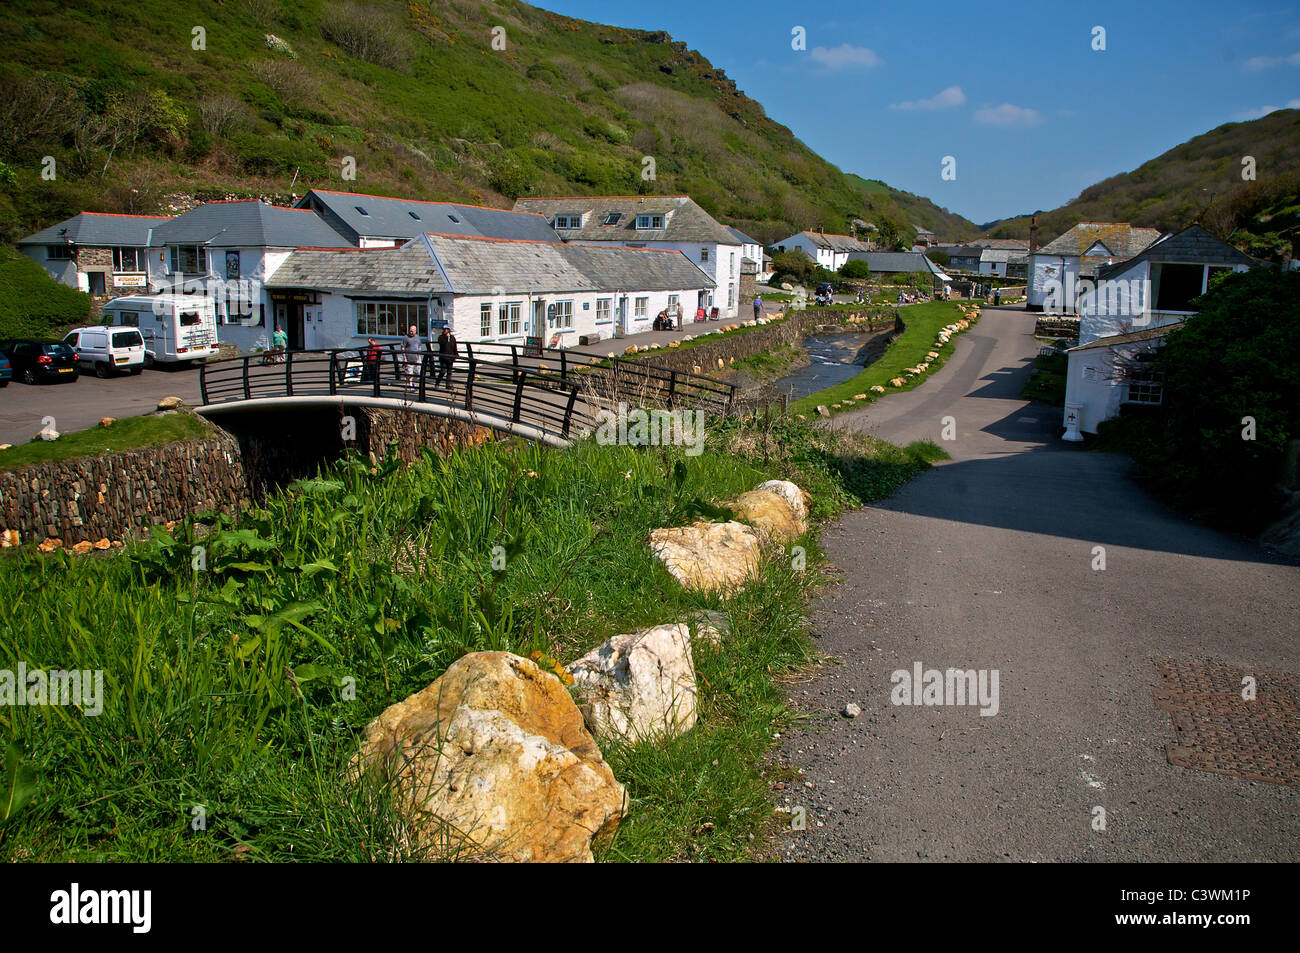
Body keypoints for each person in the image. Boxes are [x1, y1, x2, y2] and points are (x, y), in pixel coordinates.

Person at [434, 324, 457, 391]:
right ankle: (437, 383)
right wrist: (446, 338)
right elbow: (442, 344)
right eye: (444, 329)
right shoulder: (441, 337)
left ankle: (448, 385)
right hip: (443, 357)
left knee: (449, 372)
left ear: (449, 330)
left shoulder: (452, 338)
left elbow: (454, 346)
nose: (444, 330)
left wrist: (456, 354)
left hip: (450, 357)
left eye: (446, 329)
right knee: (443, 371)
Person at [403, 324, 421, 391]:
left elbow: (419, 347)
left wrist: (419, 356)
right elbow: (403, 347)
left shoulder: (417, 337)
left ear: (415, 331)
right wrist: (404, 357)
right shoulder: (406, 337)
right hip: (409, 358)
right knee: (409, 373)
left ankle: (414, 382)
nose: (411, 332)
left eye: (412, 331)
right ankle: (411, 386)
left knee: (417, 373)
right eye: (410, 331)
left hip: (416, 358)